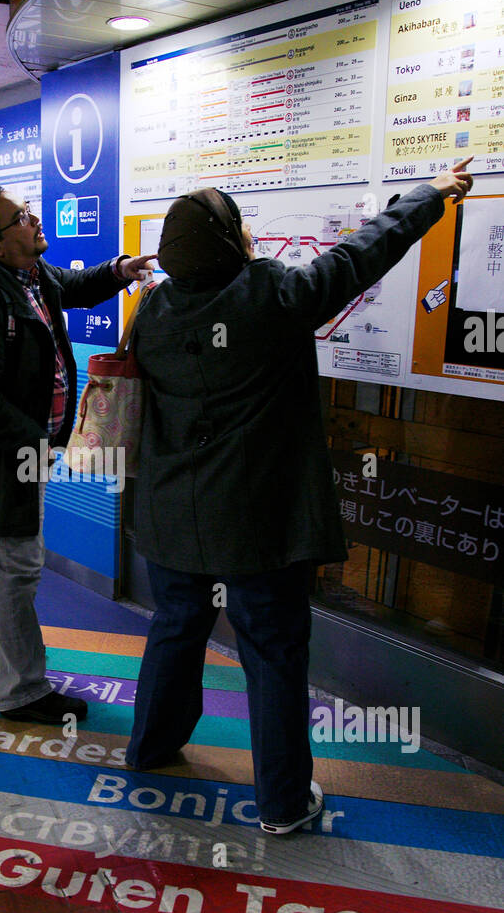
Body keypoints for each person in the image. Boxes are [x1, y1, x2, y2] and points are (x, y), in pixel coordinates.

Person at [126, 159, 474, 835]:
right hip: (257, 521)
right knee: (274, 652)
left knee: (174, 629)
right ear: (232, 241)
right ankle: (283, 803)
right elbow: (355, 257)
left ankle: (151, 748)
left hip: (173, 514)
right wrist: (429, 196)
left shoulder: (155, 309)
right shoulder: (270, 295)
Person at [0, 188, 156, 725]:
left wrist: (121, 269)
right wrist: (34, 443)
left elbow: (79, 286)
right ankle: (21, 690)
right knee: (16, 566)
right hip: (3, 459)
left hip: (26, 453)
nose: (34, 219)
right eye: (20, 217)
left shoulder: (34, 278)